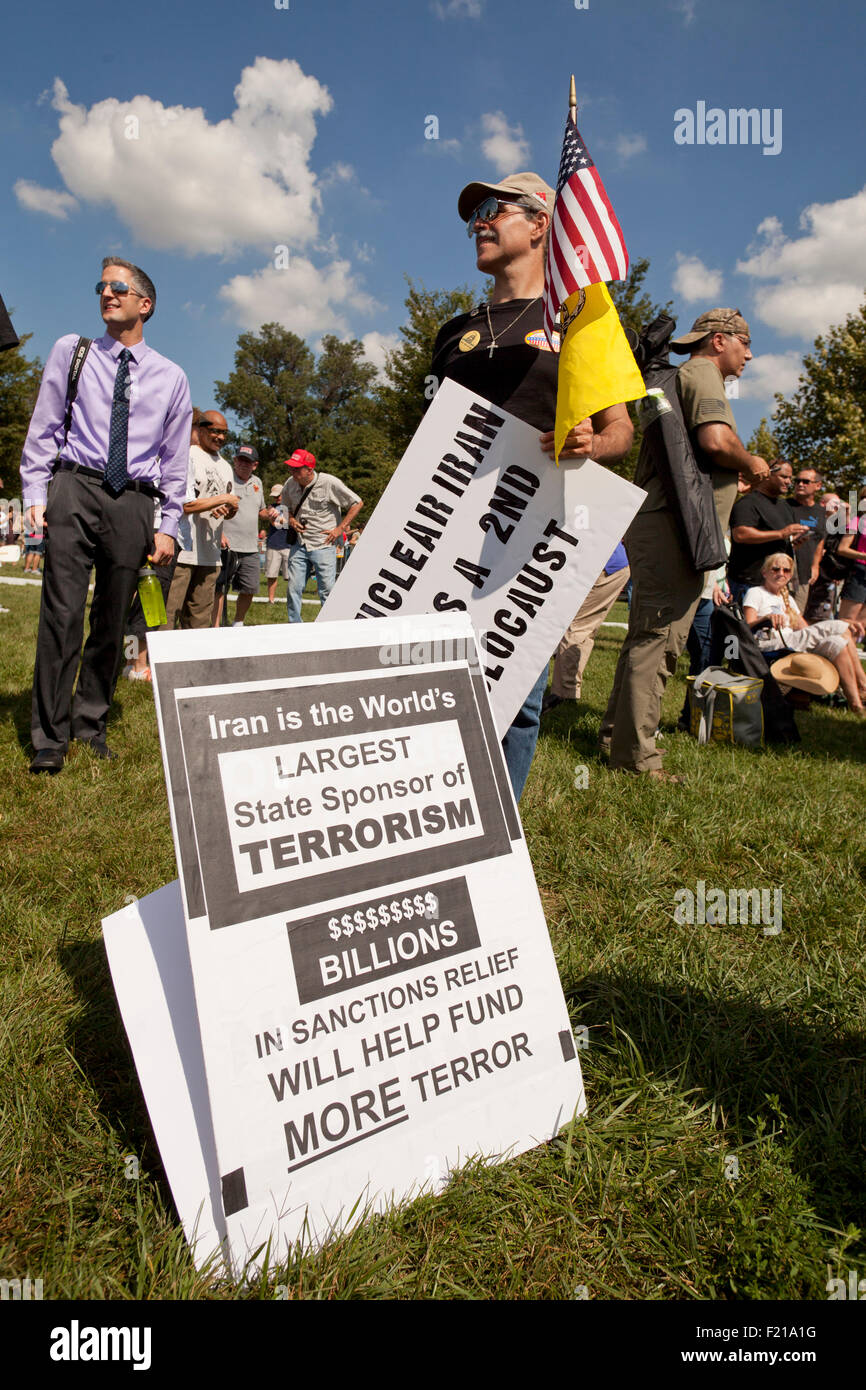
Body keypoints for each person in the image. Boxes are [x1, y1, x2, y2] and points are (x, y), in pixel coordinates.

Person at [430, 171, 633, 799]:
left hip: (533, 532)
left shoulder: (581, 319)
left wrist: (589, 445)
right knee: (432, 680)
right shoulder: (452, 333)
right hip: (446, 529)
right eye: (474, 216)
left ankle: (496, 838)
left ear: (541, 222)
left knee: (515, 693)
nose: (480, 223)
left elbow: (621, 430)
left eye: (494, 209)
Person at [20, 258, 191, 772]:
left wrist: (168, 524)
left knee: (113, 619)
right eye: (102, 286)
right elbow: (45, 426)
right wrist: (35, 492)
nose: (106, 293)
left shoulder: (172, 377)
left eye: (119, 286)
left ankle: (90, 721)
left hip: (134, 501)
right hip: (73, 487)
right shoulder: (72, 353)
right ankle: (49, 736)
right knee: (62, 612)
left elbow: (174, 460)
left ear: (146, 304)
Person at [601, 308, 769, 779]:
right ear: (719, 340)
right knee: (661, 640)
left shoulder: (675, 376)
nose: (749, 355)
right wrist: (751, 461)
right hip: (677, 527)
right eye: (745, 343)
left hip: (663, 522)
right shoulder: (702, 372)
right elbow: (716, 441)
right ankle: (637, 760)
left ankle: (619, 740)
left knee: (646, 637)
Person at [742, 552, 866, 714]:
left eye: (786, 571)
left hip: (791, 641)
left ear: (790, 575)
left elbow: (805, 630)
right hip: (769, 642)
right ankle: (863, 684)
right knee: (839, 626)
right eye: (776, 569)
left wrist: (835, 627)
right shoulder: (756, 592)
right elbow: (747, 626)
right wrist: (766, 617)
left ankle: (856, 704)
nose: (781, 573)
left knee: (837, 642)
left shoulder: (788, 599)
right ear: (764, 572)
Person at [165, 410, 237, 630]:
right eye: (215, 431)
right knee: (168, 614)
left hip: (210, 554)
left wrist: (229, 507)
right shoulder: (188, 456)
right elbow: (184, 504)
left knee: (199, 622)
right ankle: (155, 661)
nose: (221, 437)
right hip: (184, 551)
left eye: (225, 433)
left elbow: (228, 506)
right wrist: (222, 499)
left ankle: (186, 664)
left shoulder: (225, 466)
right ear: (201, 429)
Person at [280, 449, 363, 623]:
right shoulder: (290, 482)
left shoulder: (329, 482)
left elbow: (357, 503)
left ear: (309, 470)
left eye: (297, 469)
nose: (292, 472)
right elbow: (285, 507)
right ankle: (294, 625)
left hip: (323, 544)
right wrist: (291, 520)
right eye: (291, 468)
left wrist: (340, 529)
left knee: (326, 589)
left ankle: (331, 626)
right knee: (293, 588)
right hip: (300, 543)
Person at [544, 545, 630, 710]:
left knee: (576, 628)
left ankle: (561, 695)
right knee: (585, 630)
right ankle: (568, 692)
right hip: (615, 565)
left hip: (606, 567)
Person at [727, 459, 809, 606]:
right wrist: (781, 534)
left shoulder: (784, 506)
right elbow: (740, 534)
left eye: (790, 478)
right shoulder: (748, 503)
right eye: (784, 477)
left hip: (776, 585)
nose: (789, 482)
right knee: (746, 628)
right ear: (768, 475)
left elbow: (777, 541)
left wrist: (792, 544)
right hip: (749, 583)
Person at [212, 445, 265, 627]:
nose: (243, 464)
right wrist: (220, 534)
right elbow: (213, 507)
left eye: (247, 462)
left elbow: (261, 510)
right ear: (235, 461)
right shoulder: (225, 479)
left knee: (249, 588)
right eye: (240, 460)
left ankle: (238, 624)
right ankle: (216, 626)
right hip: (227, 545)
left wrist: (272, 514)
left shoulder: (258, 482)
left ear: (255, 465)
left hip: (251, 547)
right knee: (219, 588)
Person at [789, 466, 826, 615]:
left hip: (804, 574)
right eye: (797, 481)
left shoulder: (820, 512)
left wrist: (815, 565)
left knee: (796, 615)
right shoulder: (784, 506)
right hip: (782, 570)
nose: (800, 484)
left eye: (805, 481)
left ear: (818, 486)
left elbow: (820, 539)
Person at [263, 484, 291, 603]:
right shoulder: (271, 507)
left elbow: (285, 525)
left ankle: (291, 600)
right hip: (273, 544)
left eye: (278, 495)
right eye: (275, 497)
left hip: (288, 545)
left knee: (290, 577)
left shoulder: (291, 506)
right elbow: (275, 522)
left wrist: (277, 518)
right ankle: (271, 600)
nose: (277, 498)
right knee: (271, 575)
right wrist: (272, 516)